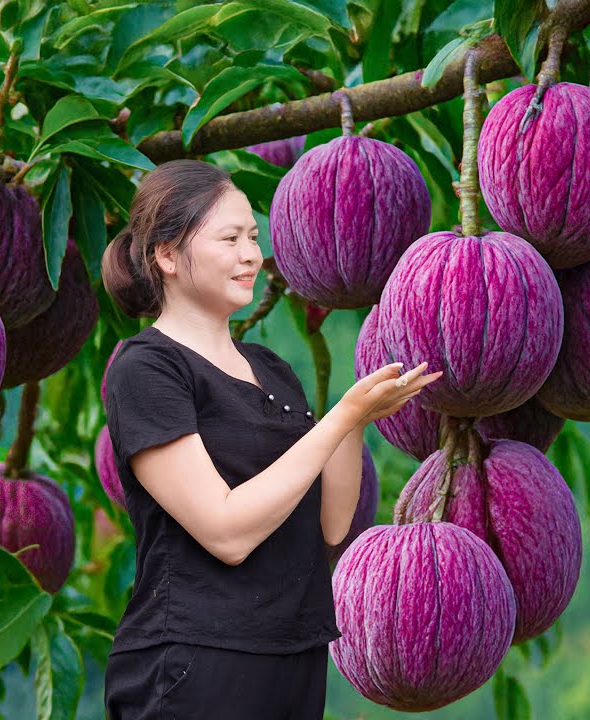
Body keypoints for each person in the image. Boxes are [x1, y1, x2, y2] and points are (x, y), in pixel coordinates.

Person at [99, 159, 442, 719]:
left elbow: (332, 525)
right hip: (196, 662)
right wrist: (339, 417)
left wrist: (357, 420)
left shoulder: (271, 368)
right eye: (230, 239)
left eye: (254, 237)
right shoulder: (146, 369)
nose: (252, 256)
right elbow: (226, 531)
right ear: (166, 255)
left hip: (294, 657)